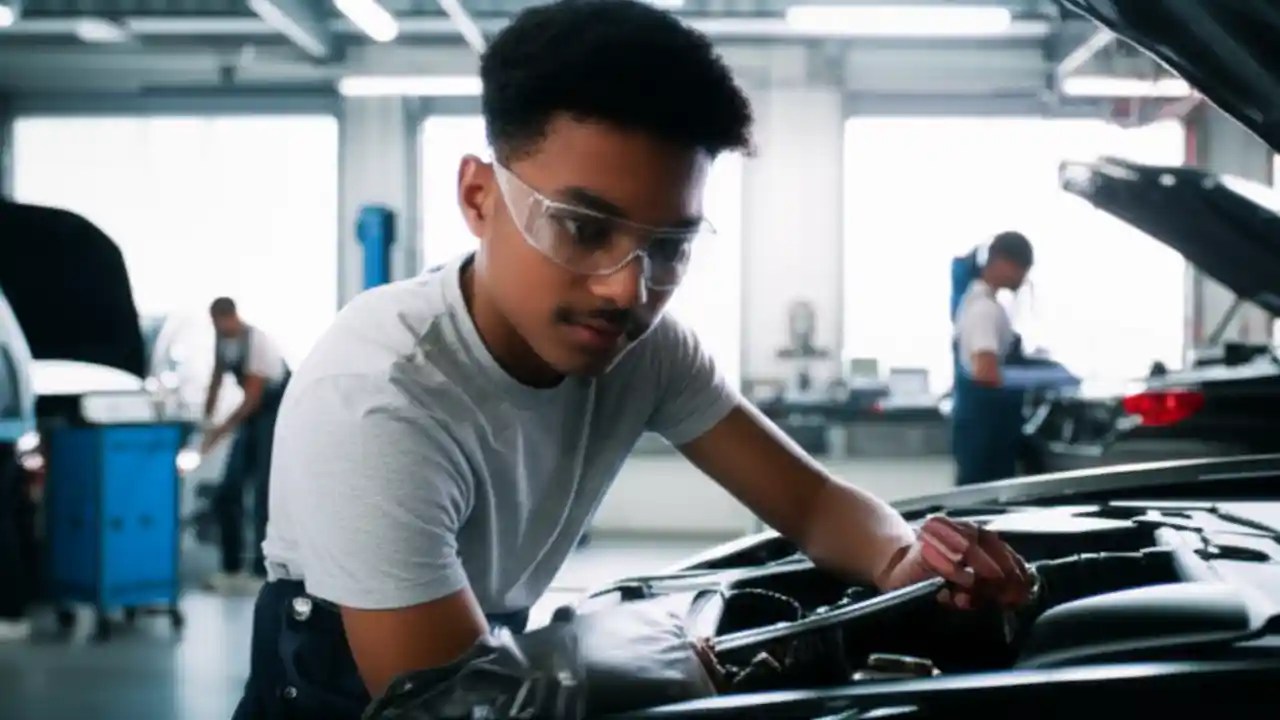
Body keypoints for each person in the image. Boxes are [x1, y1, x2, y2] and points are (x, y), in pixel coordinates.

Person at [233, 2, 1036, 717]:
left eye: (670, 246)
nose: (627, 288)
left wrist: (914, 563)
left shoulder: (642, 349)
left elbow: (816, 505)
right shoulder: (381, 395)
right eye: (583, 227)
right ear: (480, 197)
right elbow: (451, 705)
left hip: (482, 652)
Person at [202, 297, 290, 595]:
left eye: (221, 322)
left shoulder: (258, 342)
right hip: (251, 416)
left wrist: (220, 432)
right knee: (229, 488)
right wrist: (206, 421)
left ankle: (261, 569)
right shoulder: (224, 341)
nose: (218, 327)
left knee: (264, 491)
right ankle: (231, 567)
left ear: (232, 317)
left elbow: (252, 398)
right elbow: (216, 378)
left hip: (273, 412)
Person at [951, 231, 1035, 486]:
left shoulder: (983, 303)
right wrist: (1040, 379)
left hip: (983, 429)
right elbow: (985, 371)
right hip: (985, 432)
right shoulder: (984, 310)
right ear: (1002, 263)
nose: (1023, 277)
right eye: (1021, 268)